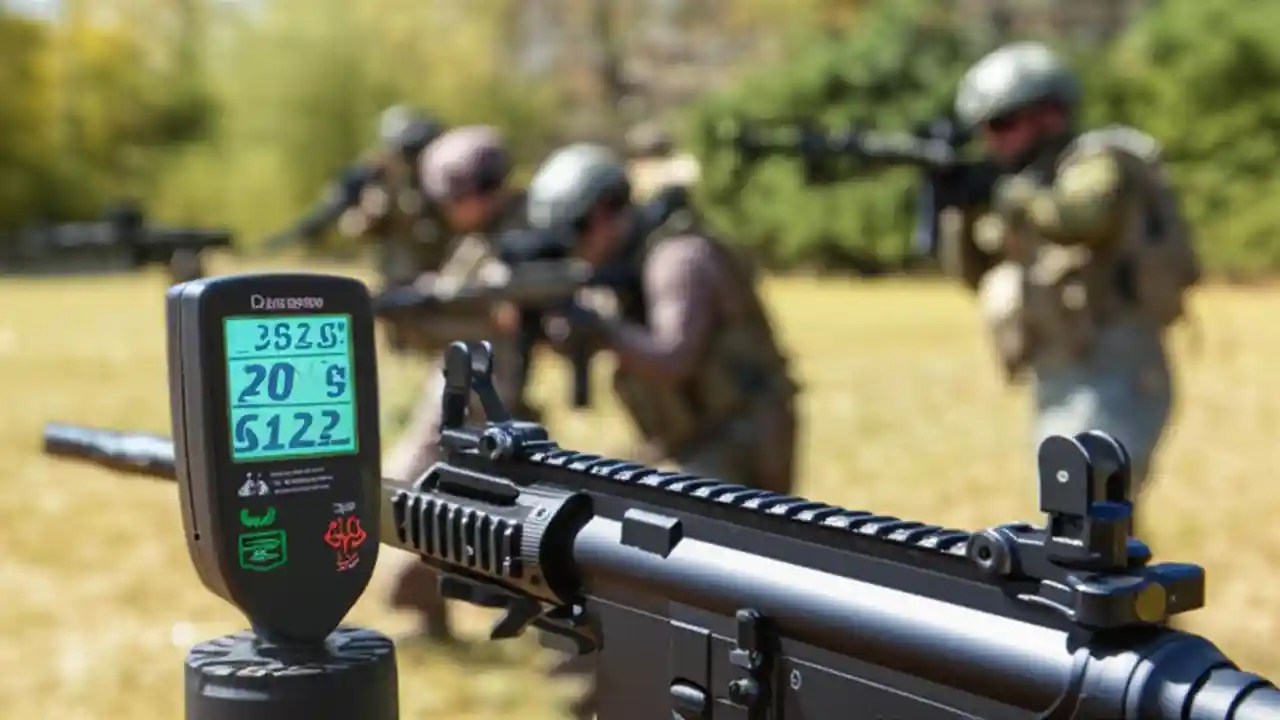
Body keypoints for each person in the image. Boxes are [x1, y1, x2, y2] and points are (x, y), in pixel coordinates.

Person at [526, 143, 799, 719]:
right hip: (695, 442)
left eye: (576, 231)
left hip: (737, 443)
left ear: (606, 212)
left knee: (642, 565)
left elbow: (673, 356)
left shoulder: (678, 258)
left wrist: (600, 328)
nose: (575, 248)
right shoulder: (627, 264)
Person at [942, 42, 1199, 508]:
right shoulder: (1027, 183)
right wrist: (957, 209)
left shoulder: (1098, 161)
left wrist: (1009, 197)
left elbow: (1080, 218)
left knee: (1088, 516)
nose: (991, 141)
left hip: (1116, 365)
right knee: (1076, 521)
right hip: (1061, 369)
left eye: (1001, 125)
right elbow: (976, 273)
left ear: (1050, 115)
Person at [382, 125, 533, 643]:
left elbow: (489, 317)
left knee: (422, 486)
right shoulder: (488, 237)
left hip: (481, 391)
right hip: (475, 384)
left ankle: (430, 597)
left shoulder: (514, 243)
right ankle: (429, 603)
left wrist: (422, 310)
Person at [338, 104, 446, 289]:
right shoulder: (383, 184)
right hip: (397, 280)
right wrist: (368, 216)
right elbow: (352, 226)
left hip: (440, 279)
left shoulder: (444, 181)